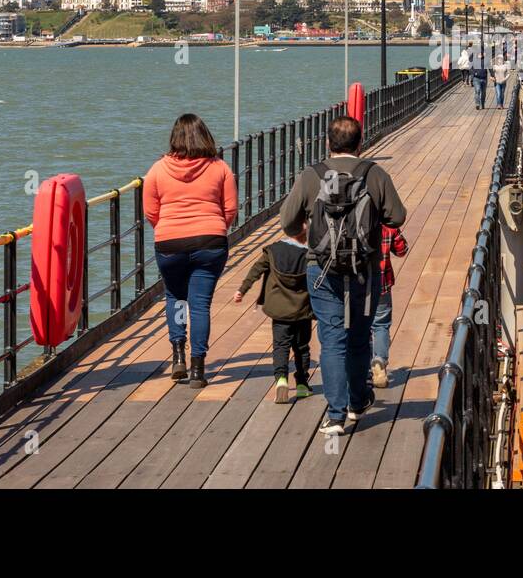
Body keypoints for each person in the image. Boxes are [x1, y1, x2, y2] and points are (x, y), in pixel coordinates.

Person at [280, 114, 406, 435]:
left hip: (321, 270)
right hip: (365, 269)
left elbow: (287, 219)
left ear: (327, 143)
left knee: (332, 339)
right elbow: (397, 216)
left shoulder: (313, 175)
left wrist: (302, 233)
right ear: (360, 143)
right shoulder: (374, 174)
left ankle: (335, 415)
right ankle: (358, 400)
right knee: (359, 336)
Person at [144, 113, 238, 389]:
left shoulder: (157, 170)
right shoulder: (220, 168)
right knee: (200, 304)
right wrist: (216, 227)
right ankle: (198, 369)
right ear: (204, 136)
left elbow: (151, 212)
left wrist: (167, 229)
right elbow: (230, 209)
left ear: (174, 138)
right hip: (210, 242)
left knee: (176, 297)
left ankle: (177, 358)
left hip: (169, 243)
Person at [234, 234, 314, 403]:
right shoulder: (312, 253)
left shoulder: (273, 250)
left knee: (280, 346)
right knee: (302, 347)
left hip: (279, 310)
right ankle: (302, 384)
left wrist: (243, 289)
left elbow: (256, 269)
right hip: (303, 309)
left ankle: (281, 380)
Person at [370, 224, 409, 389]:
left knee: (360, 326)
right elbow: (402, 250)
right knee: (381, 325)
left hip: (358, 285)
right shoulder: (387, 226)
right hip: (382, 285)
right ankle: (379, 360)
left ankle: (363, 367)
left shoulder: (354, 220)